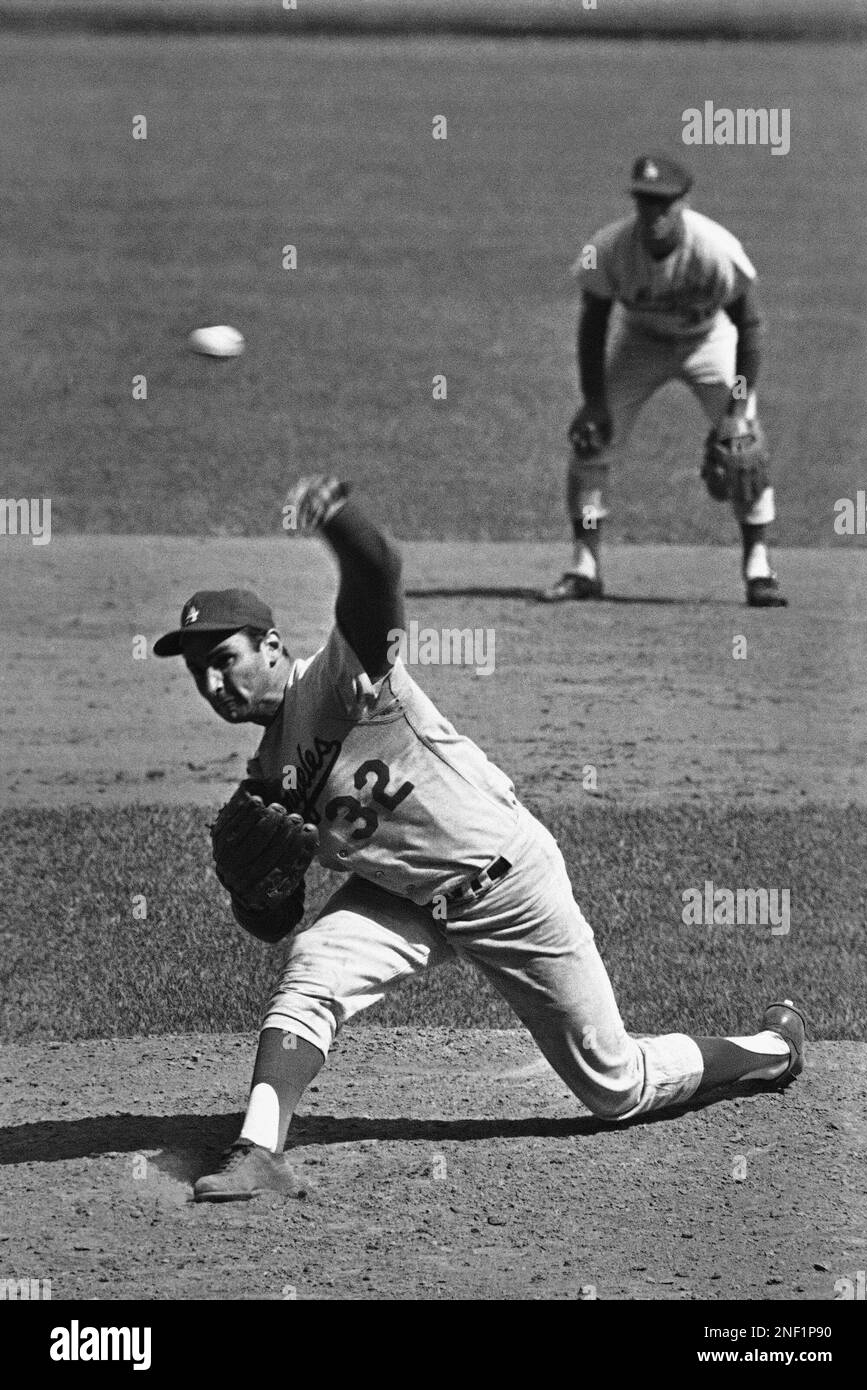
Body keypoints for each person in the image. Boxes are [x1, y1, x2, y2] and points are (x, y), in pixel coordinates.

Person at [153, 476, 804, 1201]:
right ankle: (259, 1151)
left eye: (225, 658)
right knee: (312, 965)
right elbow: (274, 921)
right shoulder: (265, 776)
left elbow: (378, 573)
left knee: (614, 1086)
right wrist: (249, 894)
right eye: (197, 671)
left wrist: (337, 518)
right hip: (403, 898)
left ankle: (772, 1051)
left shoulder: (342, 677)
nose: (213, 682)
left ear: (272, 645)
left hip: (506, 882)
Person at [539, 153, 787, 607]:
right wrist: (594, 401)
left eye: (663, 203)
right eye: (644, 202)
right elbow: (593, 327)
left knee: (745, 447)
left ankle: (759, 567)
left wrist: (736, 411)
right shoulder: (610, 249)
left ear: (682, 203)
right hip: (642, 343)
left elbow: (749, 328)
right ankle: (585, 566)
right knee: (592, 441)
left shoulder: (715, 248)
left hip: (709, 341)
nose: (653, 213)